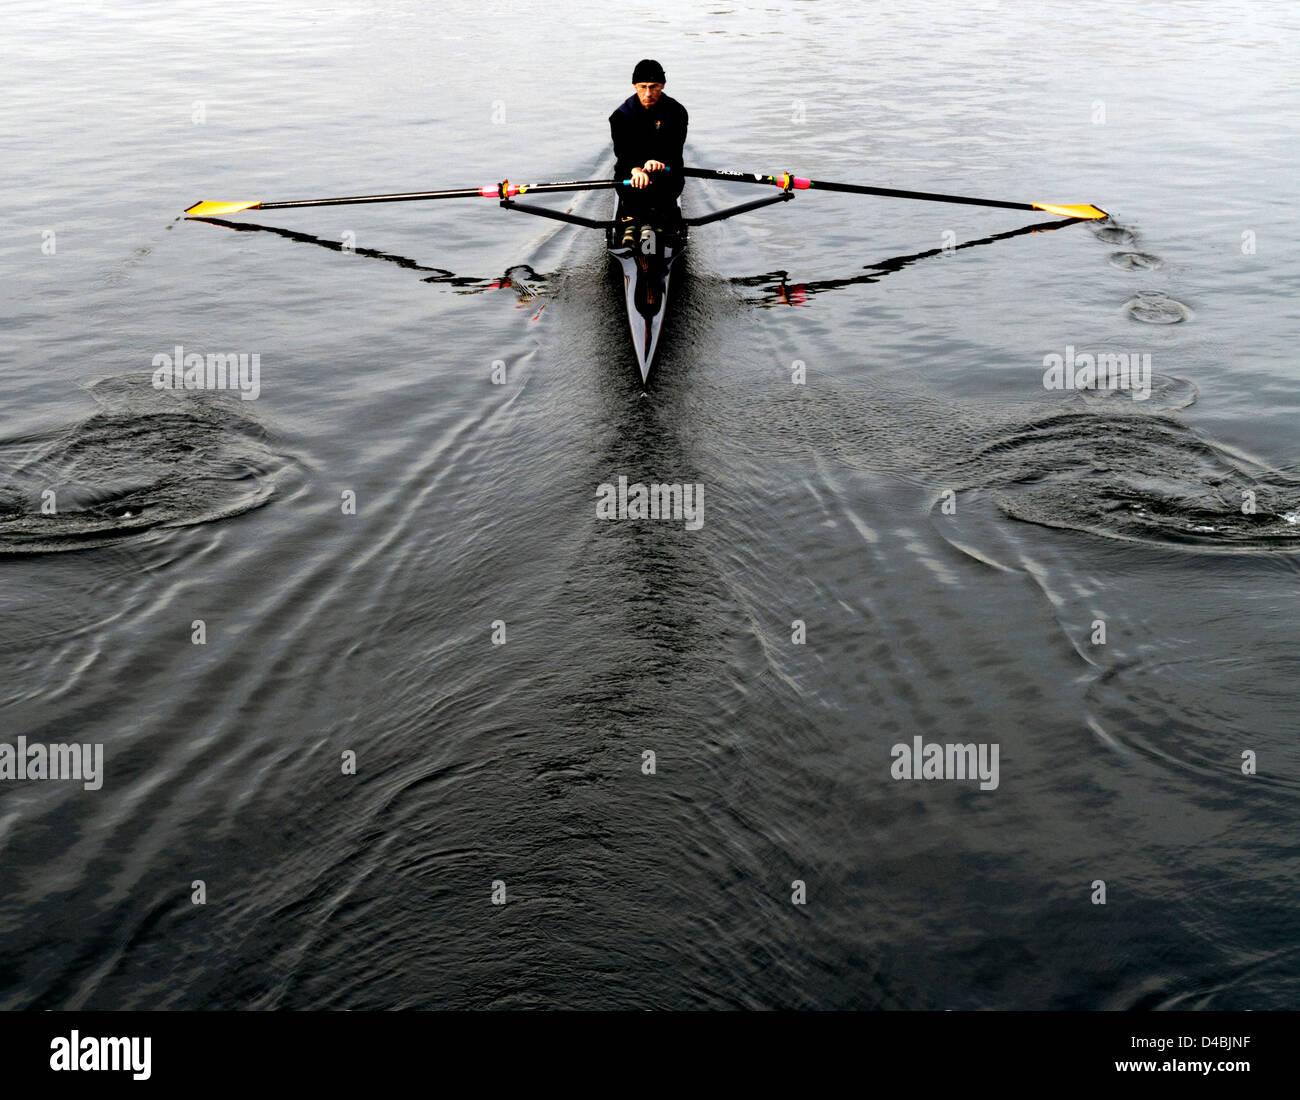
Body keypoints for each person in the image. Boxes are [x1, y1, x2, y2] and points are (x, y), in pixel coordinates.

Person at [609, 59, 688, 247]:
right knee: (634, 178)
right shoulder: (620, 116)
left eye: (654, 87)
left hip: (666, 174)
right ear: (634, 86)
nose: (648, 93)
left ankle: (648, 224)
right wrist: (635, 169)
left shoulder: (676, 112)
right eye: (642, 87)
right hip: (630, 178)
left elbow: (675, 148)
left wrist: (659, 161)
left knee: (660, 178)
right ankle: (641, 224)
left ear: (663, 86)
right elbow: (622, 151)